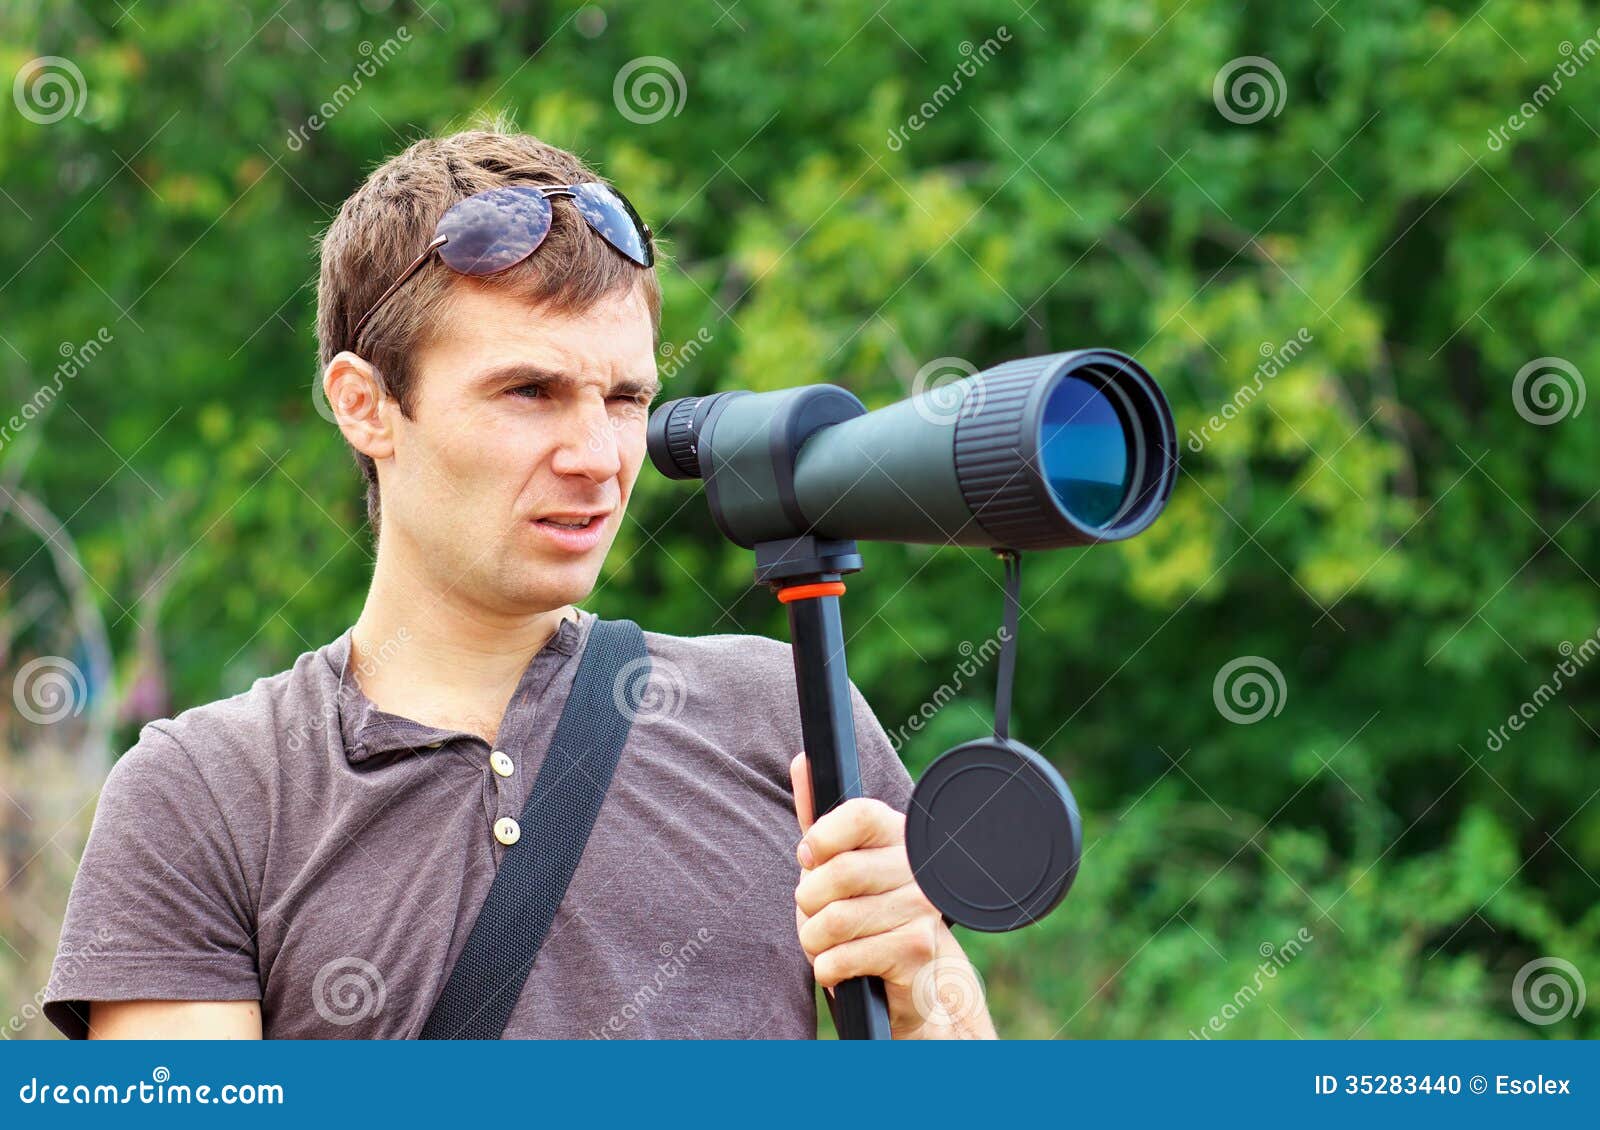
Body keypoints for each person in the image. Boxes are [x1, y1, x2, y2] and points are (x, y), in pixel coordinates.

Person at [44, 125, 995, 1040]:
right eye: (528, 392)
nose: (597, 456)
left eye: (626, 399)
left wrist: (922, 1001)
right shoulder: (209, 794)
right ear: (365, 404)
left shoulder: (785, 716)